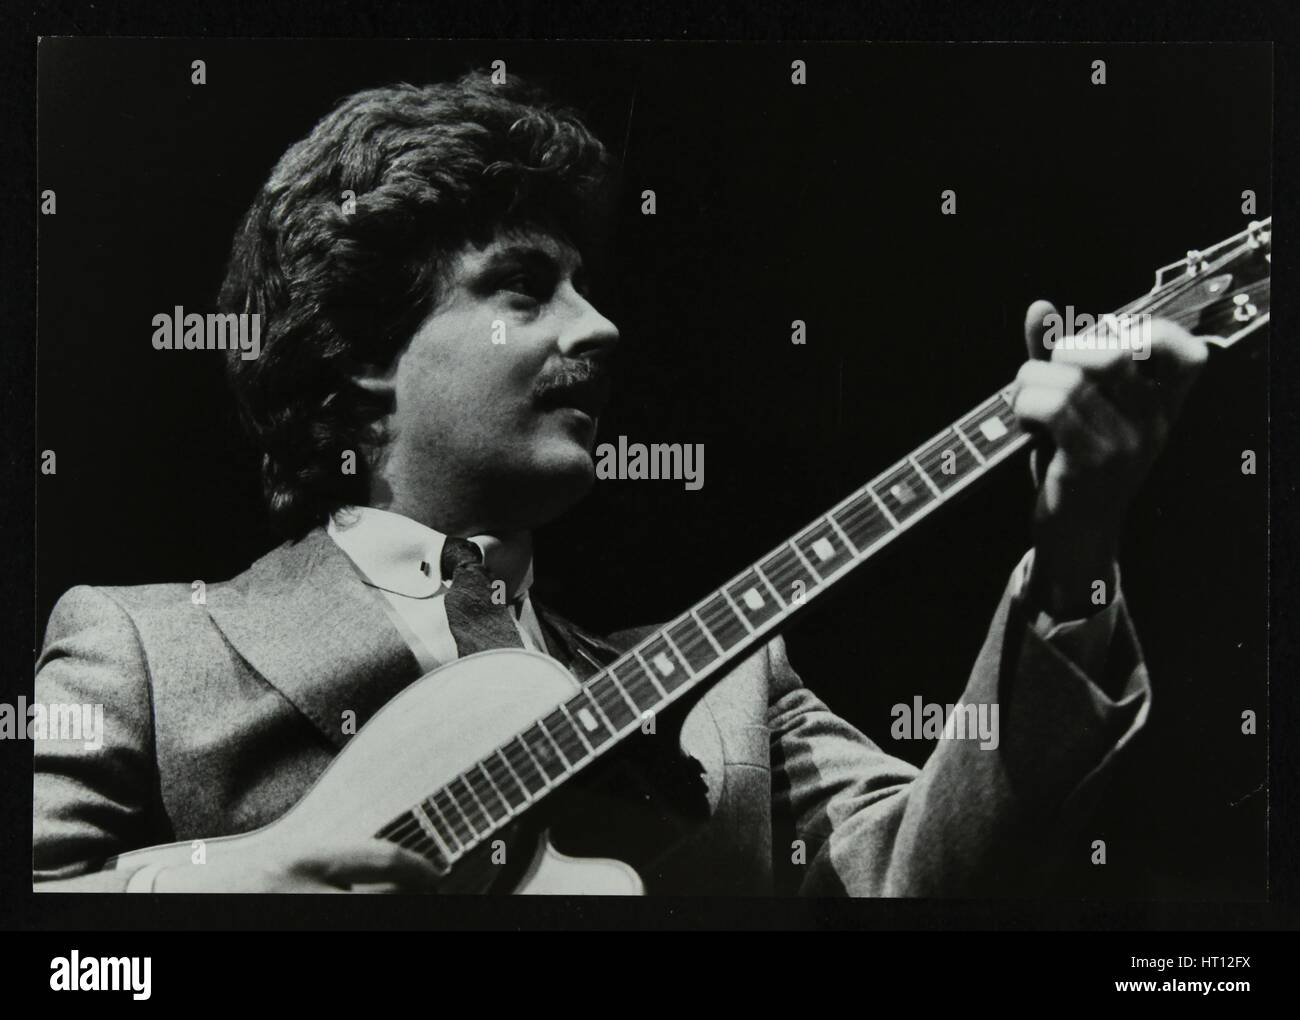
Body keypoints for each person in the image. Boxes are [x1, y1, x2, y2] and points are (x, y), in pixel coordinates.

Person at [32, 72, 1207, 895]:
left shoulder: (733, 699)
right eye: (523, 287)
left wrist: (1077, 554)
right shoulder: (143, 650)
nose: (597, 327)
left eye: (587, 288)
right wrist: (206, 886)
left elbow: (940, 880)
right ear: (360, 351)